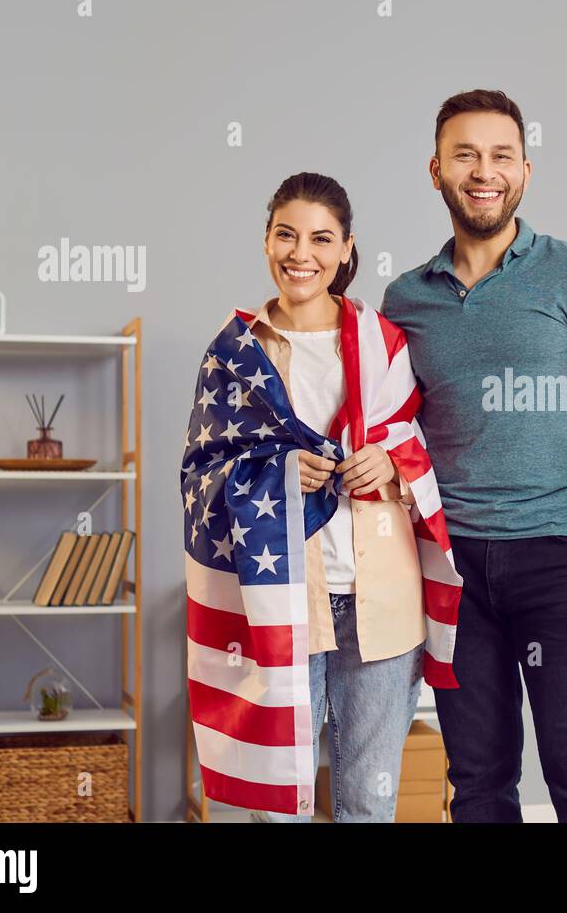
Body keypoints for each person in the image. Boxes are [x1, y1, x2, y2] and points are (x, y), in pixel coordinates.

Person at [381, 90, 567, 822]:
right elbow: (391, 435)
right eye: (465, 154)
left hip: (560, 559)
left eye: (501, 155)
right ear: (435, 170)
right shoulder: (405, 299)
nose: (484, 170)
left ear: (525, 172)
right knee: (477, 784)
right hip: (452, 564)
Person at [240, 172, 427, 822]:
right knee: (280, 803)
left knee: (368, 801)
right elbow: (204, 473)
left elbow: (425, 449)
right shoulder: (240, 351)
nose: (302, 253)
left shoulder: (385, 341)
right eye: (286, 234)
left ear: (347, 249)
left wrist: (392, 466)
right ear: (267, 242)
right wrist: (274, 473)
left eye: (321, 238)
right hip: (286, 594)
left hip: (383, 599)